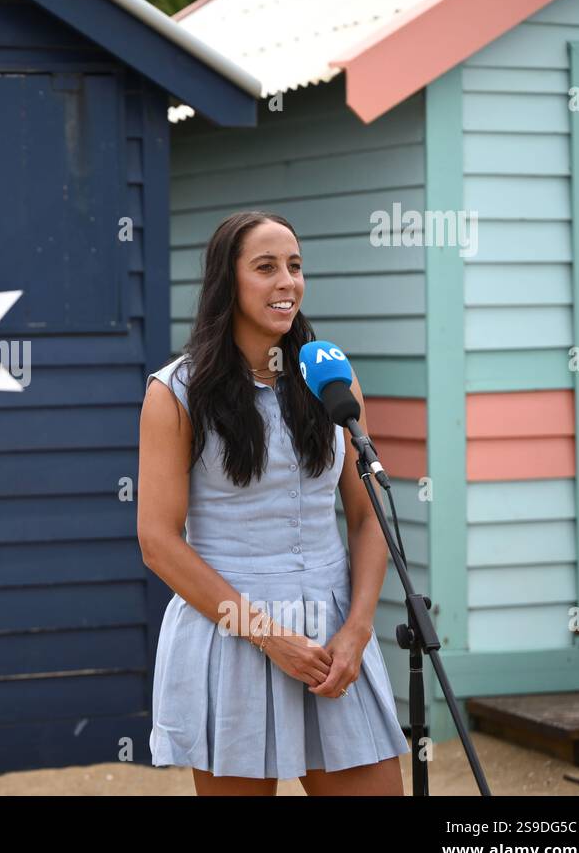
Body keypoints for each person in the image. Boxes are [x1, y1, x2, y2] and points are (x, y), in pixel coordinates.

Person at [137, 211, 410, 796]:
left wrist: (359, 629)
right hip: (232, 633)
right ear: (226, 282)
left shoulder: (331, 380)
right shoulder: (175, 394)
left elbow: (366, 519)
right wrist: (270, 636)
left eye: (295, 266)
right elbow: (158, 543)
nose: (287, 281)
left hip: (336, 640)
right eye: (265, 268)